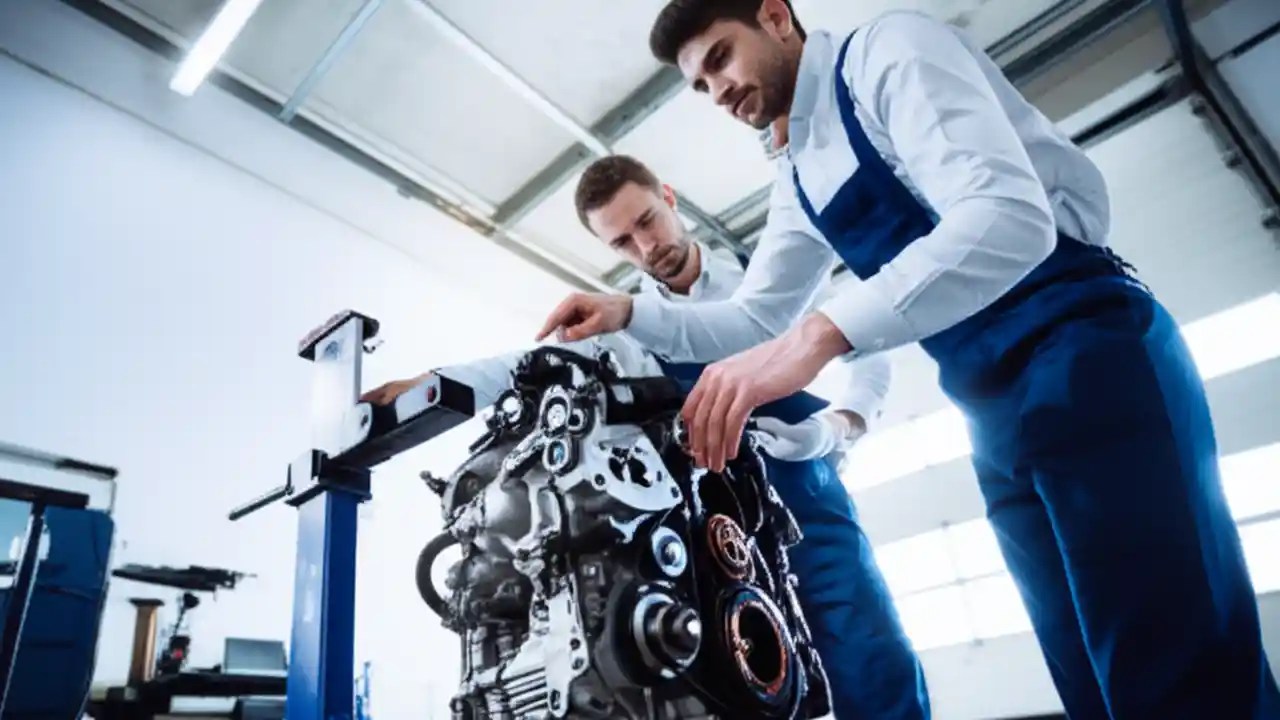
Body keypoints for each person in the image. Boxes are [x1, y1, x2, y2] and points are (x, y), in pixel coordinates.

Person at [534, 2, 1280, 718]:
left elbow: (1008, 216)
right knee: (1088, 670)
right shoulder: (799, 173)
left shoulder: (889, 53)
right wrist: (629, 312)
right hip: (992, 411)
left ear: (775, 15)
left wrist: (820, 339)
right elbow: (757, 316)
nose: (718, 91)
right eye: (700, 85)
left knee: (1176, 668)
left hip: (1086, 352)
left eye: (721, 59)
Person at [363, 155, 932, 719]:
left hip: (809, 494)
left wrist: (838, 427)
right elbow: (525, 365)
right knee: (744, 682)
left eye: (647, 221)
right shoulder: (625, 330)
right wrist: (434, 385)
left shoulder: (772, 277)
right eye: (622, 242)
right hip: (713, 525)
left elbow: (867, 350)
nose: (645, 247)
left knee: (868, 650)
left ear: (669, 197)